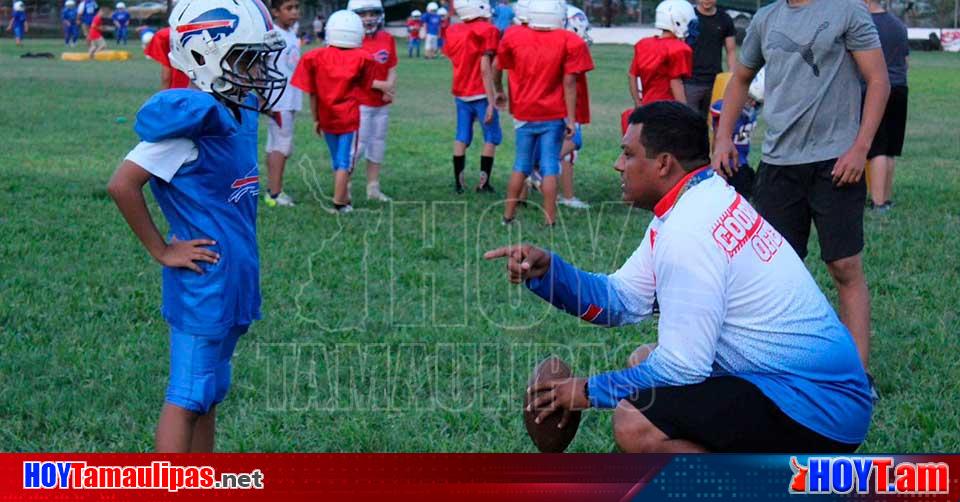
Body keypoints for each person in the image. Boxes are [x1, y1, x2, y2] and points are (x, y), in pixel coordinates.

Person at [485, 102, 873, 453]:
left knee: (635, 423)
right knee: (644, 360)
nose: (619, 165)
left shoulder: (689, 233)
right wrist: (551, 271)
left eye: (628, 153)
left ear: (664, 164)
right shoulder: (701, 197)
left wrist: (584, 391)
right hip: (808, 390)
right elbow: (620, 300)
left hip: (818, 409)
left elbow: (683, 368)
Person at [107, 0, 287, 452]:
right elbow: (122, 184)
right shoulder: (189, 121)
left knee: (210, 394)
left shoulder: (236, 110)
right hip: (204, 282)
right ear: (205, 56)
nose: (257, 70)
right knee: (188, 395)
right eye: (246, 58)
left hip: (234, 276)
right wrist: (162, 249)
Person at [714, 0, 890, 380]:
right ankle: (777, 365)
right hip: (778, 165)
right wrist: (723, 137)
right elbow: (741, 78)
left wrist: (860, 148)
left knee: (844, 266)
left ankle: (858, 378)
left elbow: (878, 80)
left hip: (836, 161)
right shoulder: (767, 18)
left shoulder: (847, 11)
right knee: (774, 273)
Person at [497, 0, 593, 226]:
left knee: (521, 164)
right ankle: (549, 220)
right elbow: (570, 83)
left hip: (524, 111)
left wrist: (499, 89)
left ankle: (508, 216)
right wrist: (571, 118)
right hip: (553, 112)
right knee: (550, 164)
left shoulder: (514, 35)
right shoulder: (569, 40)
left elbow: (502, 66)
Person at [293, 10, 385, 214]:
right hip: (349, 116)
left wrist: (316, 119)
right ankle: (339, 202)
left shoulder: (314, 57)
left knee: (337, 160)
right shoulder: (364, 58)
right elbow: (366, 86)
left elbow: (313, 94)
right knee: (344, 161)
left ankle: (344, 197)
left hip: (326, 116)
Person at [443, 0, 501, 194]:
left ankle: (459, 184)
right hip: (481, 92)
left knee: (461, 136)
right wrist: (492, 101)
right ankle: (484, 184)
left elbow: (452, 57)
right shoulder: (488, 30)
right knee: (491, 137)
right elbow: (485, 68)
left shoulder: (453, 30)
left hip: (460, 91)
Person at [350, 0, 398, 202]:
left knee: (377, 144)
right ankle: (345, 183)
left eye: (372, 13)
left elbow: (392, 66)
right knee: (358, 146)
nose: (369, 18)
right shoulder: (352, 40)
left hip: (381, 102)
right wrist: (381, 85)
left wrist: (390, 87)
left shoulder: (386, 38)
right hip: (360, 101)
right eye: (363, 14)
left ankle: (373, 187)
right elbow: (352, 74)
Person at [864, 0, 909, 212]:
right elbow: (906, 61)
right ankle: (886, 198)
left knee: (876, 150)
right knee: (890, 149)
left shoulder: (865, 24)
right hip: (900, 88)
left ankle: (877, 202)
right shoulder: (898, 25)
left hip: (876, 90)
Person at [263, 0, 303, 208]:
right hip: (278, 100)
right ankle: (275, 193)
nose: (295, 12)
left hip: (290, 98)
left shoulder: (291, 33)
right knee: (282, 145)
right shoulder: (272, 35)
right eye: (289, 8)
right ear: (275, 12)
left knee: (276, 145)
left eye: (297, 7)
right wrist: (263, 98)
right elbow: (259, 66)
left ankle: (273, 188)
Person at [708, 68, 764, 199]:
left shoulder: (751, 114)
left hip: (742, 163)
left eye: (757, 103)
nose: (753, 104)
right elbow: (718, 134)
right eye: (751, 99)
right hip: (727, 164)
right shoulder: (724, 108)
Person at [628, 0, 694, 106]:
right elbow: (676, 82)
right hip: (667, 108)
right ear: (678, 20)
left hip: (647, 105)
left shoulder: (644, 44)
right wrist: (684, 110)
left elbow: (632, 76)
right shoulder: (679, 48)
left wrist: (638, 103)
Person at [683, 0, 736, 117]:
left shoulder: (725, 19)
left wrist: (731, 75)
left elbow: (731, 50)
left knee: (714, 124)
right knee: (689, 122)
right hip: (690, 81)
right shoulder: (687, 17)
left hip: (715, 82)